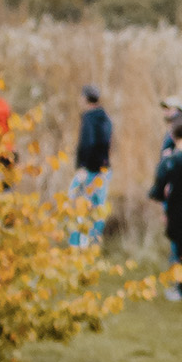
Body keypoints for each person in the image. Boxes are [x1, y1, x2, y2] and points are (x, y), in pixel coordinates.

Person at [149, 118, 182, 301]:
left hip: (178, 208)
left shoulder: (173, 158)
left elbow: (159, 186)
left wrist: (162, 196)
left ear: (172, 135)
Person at [69, 84, 112, 243]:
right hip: (104, 169)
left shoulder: (89, 118)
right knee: (98, 207)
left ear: (85, 98)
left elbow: (88, 143)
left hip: (90, 170)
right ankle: (93, 241)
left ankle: (77, 242)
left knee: (76, 201)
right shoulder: (106, 117)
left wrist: (83, 167)